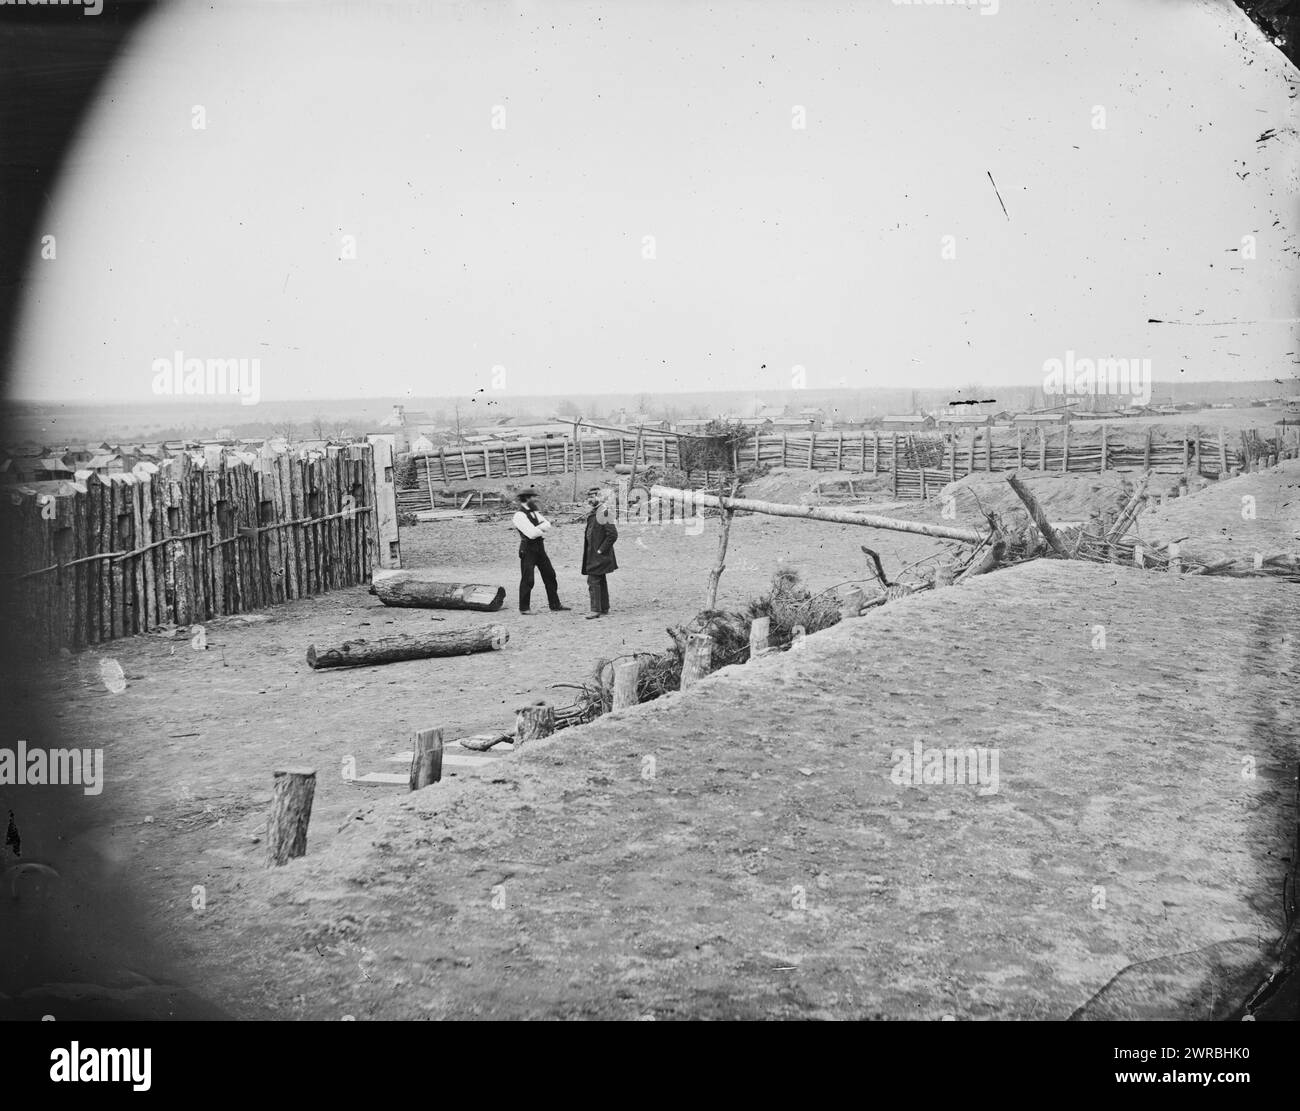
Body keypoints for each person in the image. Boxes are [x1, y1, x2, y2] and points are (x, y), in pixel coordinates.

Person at [512, 490, 569, 614]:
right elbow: (532, 534)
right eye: (533, 498)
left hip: (539, 547)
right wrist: (539, 529)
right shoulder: (519, 515)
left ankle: (554, 604)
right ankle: (524, 608)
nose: (536, 500)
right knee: (528, 578)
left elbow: (547, 525)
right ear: (527, 498)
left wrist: (538, 529)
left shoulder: (534, 512)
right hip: (528, 549)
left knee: (550, 574)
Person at [580, 485, 618, 619]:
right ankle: (604, 607)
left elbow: (612, 535)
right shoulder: (595, 512)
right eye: (589, 497)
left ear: (600, 497)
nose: (590, 499)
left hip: (599, 554)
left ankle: (595, 610)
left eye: (593, 496)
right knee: (600, 579)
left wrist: (601, 550)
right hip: (594, 553)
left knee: (593, 580)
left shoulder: (604, 512)